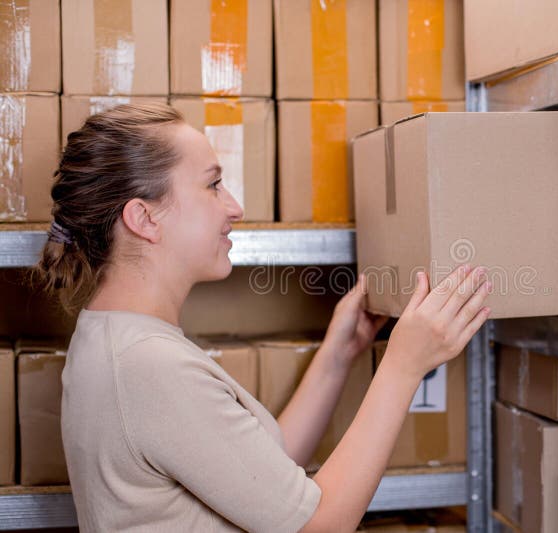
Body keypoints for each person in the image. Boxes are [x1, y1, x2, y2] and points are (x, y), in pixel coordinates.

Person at [34, 103, 492, 532]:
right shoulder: (147, 367)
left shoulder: (113, 338)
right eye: (213, 185)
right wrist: (403, 366)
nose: (234, 207)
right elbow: (317, 524)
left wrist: (337, 356)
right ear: (144, 218)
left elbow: (263, 480)